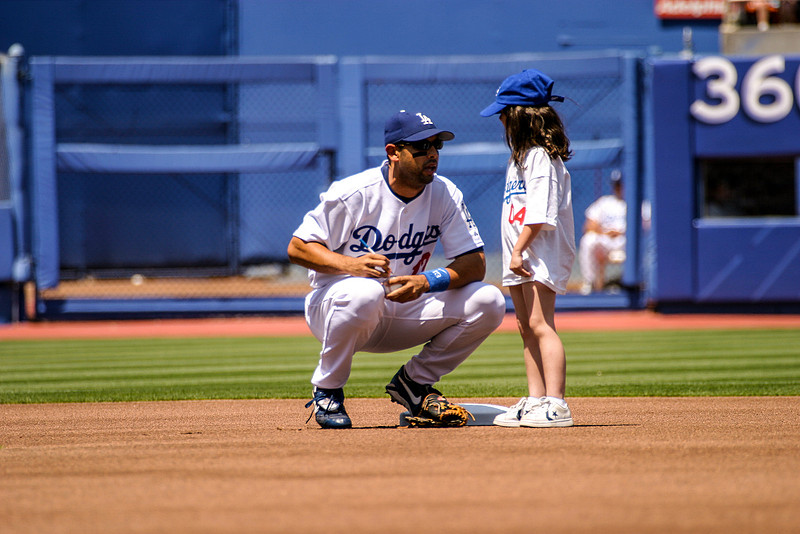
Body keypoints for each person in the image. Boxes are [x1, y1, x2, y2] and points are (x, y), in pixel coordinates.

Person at [287, 110, 506, 429]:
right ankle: (328, 389)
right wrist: (350, 265)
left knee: (489, 300)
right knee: (366, 291)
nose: (432, 154)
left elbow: (475, 263)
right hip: (339, 306)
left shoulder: (444, 193)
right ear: (393, 152)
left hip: (406, 309)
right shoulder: (354, 193)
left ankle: (414, 384)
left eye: (436, 146)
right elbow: (298, 246)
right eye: (421, 147)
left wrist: (427, 280)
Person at [480, 69, 576, 428]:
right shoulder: (519, 157)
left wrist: (519, 250)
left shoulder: (539, 156)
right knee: (524, 325)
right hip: (520, 254)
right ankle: (535, 400)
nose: (501, 119)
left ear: (521, 114)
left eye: (505, 112)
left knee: (540, 323)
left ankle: (556, 403)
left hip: (537, 252)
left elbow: (540, 215)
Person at [578, 169, 627, 294]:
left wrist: (620, 232)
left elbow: (646, 227)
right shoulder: (605, 202)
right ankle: (590, 283)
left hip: (627, 240)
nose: (619, 188)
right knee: (588, 240)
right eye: (616, 185)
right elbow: (589, 225)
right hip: (607, 240)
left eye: (621, 184)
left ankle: (638, 283)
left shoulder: (637, 202)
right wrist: (606, 233)